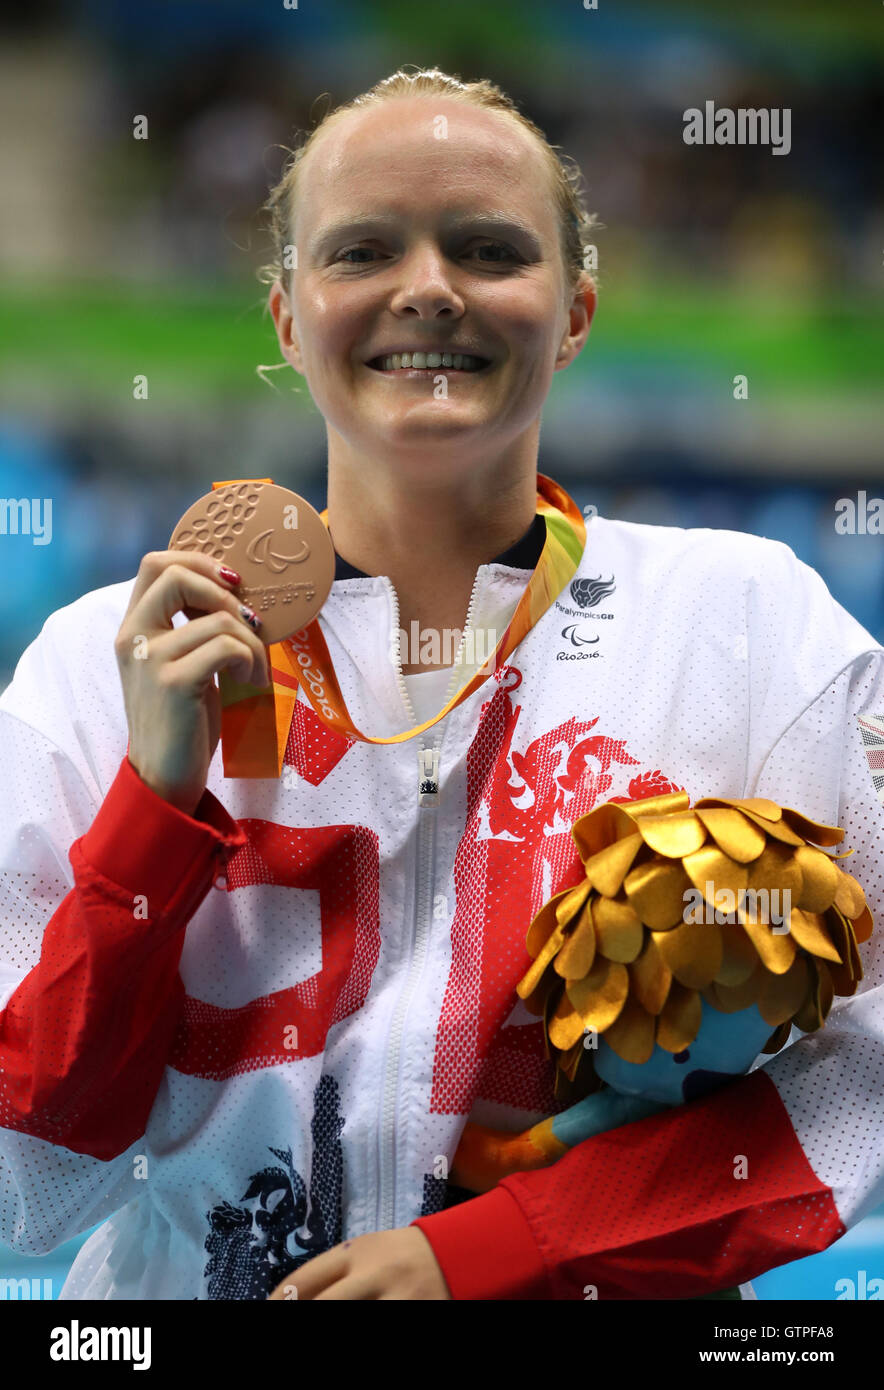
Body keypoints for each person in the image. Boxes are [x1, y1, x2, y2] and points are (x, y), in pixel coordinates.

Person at [0, 66, 882, 1302]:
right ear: (287, 319)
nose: (427, 287)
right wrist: (149, 815)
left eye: (486, 249)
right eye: (363, 250)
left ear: (572, 314)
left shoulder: (746, 628)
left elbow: (860, 1074)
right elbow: (28, 1187)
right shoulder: (104, 667)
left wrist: (502, 1250)